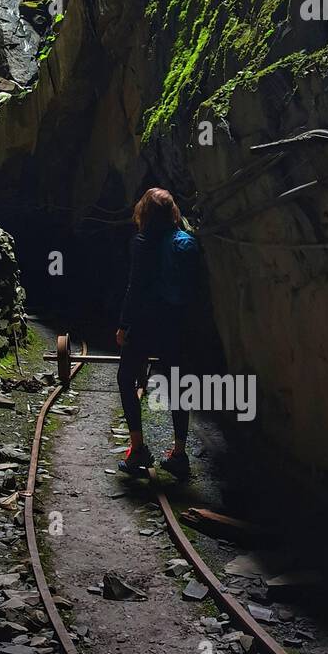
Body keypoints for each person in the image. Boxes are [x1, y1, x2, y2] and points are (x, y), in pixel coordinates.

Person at [115, 187, 200, 479]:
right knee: (178, 384)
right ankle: (179, 453)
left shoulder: (141, 243)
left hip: (144, 323)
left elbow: (134, 288)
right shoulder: (182, 243)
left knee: (126, 378)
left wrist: (124, 325)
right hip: (175, 323)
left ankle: (137, 449)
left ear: (145, 213)